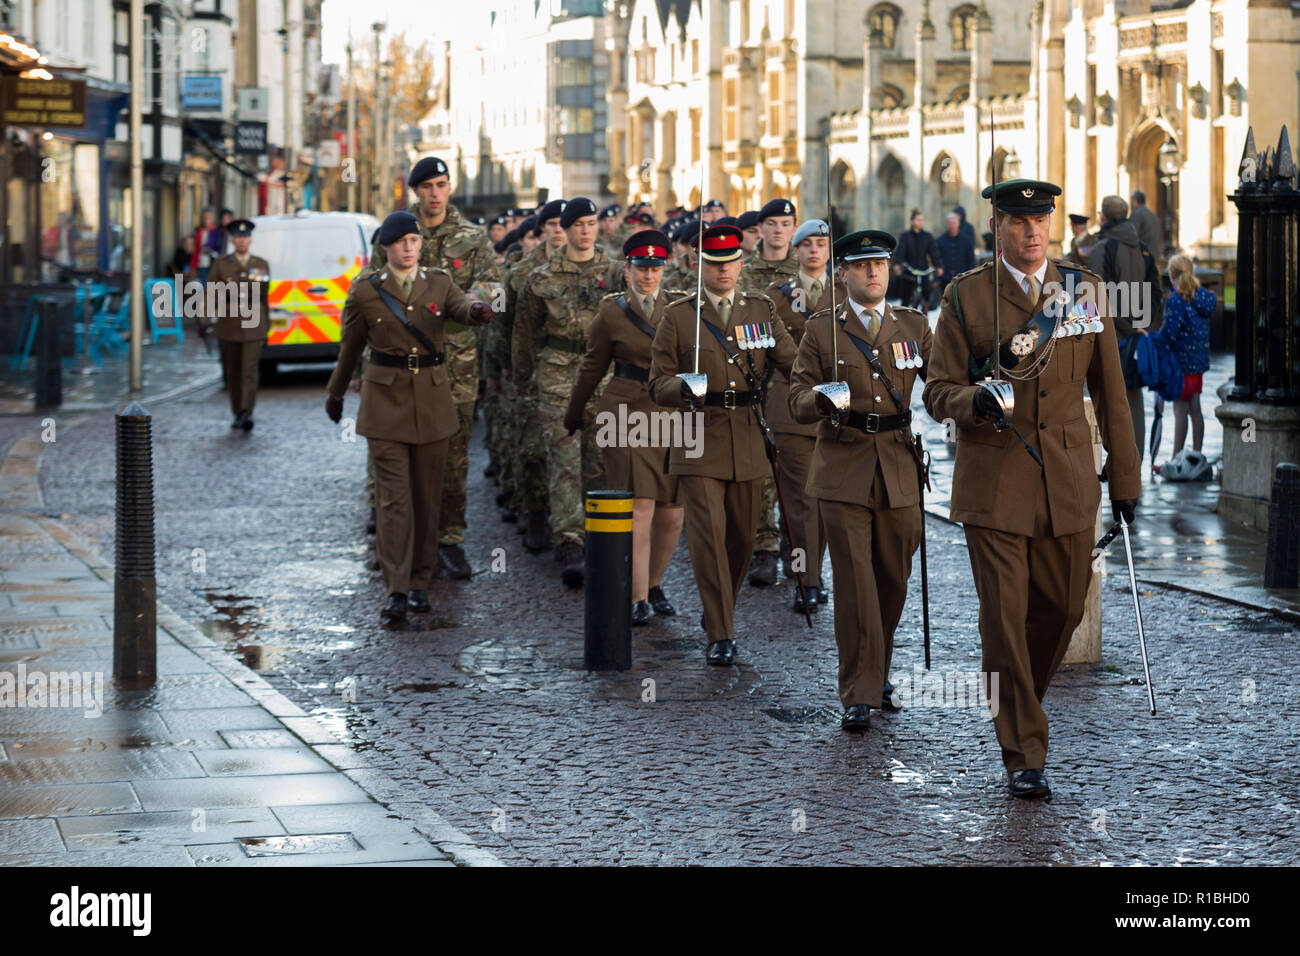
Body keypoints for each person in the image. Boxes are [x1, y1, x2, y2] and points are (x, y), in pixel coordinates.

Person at [923, 179, 1140, 799]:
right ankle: (1023, 748)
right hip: (994, 479)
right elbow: (937, 392)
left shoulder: (1082, 290)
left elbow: (1111, 392)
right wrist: (975, 400)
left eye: (1039, 219)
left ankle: (1019, 701)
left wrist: (1124, 477)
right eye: (1018, 221)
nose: (1031, 231)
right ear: (997, 226)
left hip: (1069, 478)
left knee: (1064, 608)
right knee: (1004, 619)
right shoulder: (965, 298)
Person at [789, 229, 931, 731]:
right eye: (862, 265)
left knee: (893, 579)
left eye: (880, 264)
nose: (873, 272)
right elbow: (796, 399)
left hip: (897, 465)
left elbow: (941, 385)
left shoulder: (912, 325)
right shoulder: (821, 329)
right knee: (854, 585)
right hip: (842, 465)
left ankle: (878, 669)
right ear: (843, 273)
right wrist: (822, 399)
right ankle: (858, 689)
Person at [325, 211, 493, 623]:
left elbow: (459, 305)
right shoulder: (366, 289)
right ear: (385, 246)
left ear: (420, 245)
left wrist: (477, 311)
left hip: (432, 403)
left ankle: (420, 582)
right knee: (394, 501)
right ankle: (396, 589)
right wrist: (335, 391)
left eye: (413, 241)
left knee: (426, 497)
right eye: (399, 242)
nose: (407, 248)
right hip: (384, 405)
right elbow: (350, 346)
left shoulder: (438, 282)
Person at [649, 223, 796, 665]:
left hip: (748, 434)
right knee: (708, 537)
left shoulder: (761, 309)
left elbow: (793, 361)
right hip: (697, 436)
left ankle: (720, 610)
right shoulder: (678, 316)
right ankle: (720, 630)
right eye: (714, 264)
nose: (724, 271)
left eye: (730, 262)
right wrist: (681, 387)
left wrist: (827, 383)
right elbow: (656, 385)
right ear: (699, 266)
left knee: (742, 539)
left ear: (741, 262)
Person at [370, 156, 503, 580]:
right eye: (427, 186)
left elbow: (494, 284)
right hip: (401, 364)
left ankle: (450, 539)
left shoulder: (472, 238)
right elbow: (369, 294)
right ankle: (399, 540)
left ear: (449, 188)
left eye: (441, 184)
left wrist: (470, 301)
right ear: (416, 192)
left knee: (453, 455)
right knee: (398, 453)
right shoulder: (394, 235)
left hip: (457, 362)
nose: (434, 193)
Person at [564, 229, 685, 624]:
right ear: (627, 269)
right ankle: (636, 599)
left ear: (663, 269)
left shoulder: (682, 308)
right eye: (640, 268)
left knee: (672, 511)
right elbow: (592, 366)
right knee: (641, 506)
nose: (647, 275)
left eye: (654, 268)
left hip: (673, 413)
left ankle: (653, 583)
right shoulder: (611, 311)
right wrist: (575, 410)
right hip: (626, 413)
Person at [513, 197, 620, 587]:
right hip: (557, 374)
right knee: (563, 461)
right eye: (579, 224)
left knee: (599, 461)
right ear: (568, 229)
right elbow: (524, 333)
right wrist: (522, 375)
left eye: (592, 223)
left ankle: (599, 534)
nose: (587, 230)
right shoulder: (541, 278)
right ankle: (570, 541)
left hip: (605, 376)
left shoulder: (617, 272)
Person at [765, 218, 845, 611]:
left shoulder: (847, 292)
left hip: (838, 410)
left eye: (821, 244)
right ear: (795, 251)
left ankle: (809, 568)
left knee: (826, 499)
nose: (814, 250)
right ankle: (807, 580)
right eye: (807, 244)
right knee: (800, 499)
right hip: (791, 409)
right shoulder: (774, 297)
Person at [497, 200, 569, 549]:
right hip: (533, 368)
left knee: (577, 452)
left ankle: (572, 532)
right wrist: (504, 370)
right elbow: (505, 325)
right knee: (532, 448)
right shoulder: (523, 271)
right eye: (552, 223)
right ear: (541, 230)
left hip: (576, 371)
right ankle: (536, 512)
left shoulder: (593, 265)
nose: (558, 229)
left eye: (562, 223)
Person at [739, 198, 800, 587]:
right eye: (772, 224)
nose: (779, 230)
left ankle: (796, 551)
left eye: (786, 223)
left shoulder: (805, 269)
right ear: (759, 230)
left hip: (794, 378)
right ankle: (763, 546)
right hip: (752, 377)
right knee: (761, 466)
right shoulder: (744, 273)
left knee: (794, 468)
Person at [1091, 194, 1161, 464]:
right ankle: (1135, 462)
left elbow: (1100, 295)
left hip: (1112, 335)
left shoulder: (1102, 248)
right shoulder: (1143, 248)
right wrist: (1144, 326)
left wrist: (1126, 327)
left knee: (1106, 400)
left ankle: (1116, 465)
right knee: (1133, 399)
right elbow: (1157, 291)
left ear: (1103, 217)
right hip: (1138, 336)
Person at [203, 219, 270, 431]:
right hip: (229, 324)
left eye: (245, 237)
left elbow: (262, 295)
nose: (242, 241)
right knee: (233, 372)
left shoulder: (260, 264)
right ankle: (236, 411)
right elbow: (211, 293)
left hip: (254, 324)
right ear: (232, 240)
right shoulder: (221, 264)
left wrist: (266, 325)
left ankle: (246, 412)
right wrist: (205, 319)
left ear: (250, 240)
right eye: (238, 237)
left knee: (249, 371)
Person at [1152, 254, 1215, 457]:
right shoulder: (1204, 297)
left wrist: (1154, 342)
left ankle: (1176, 458)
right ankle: (1197, 455)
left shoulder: (1177, 299)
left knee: (1180, 410)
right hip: (1197, 365)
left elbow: (1170, 332)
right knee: (1195, 409)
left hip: (1180, 364)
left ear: (1171, 275)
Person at [892, 209, 943, 308]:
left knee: (926, 294)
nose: (920, 222)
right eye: (918, 220)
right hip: (909, 271)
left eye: (922, 220)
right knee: (906, 298)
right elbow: (900, 251)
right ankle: (904, 317)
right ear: (912, 221)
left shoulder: (927, 237)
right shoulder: (905, 236)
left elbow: (934, 253)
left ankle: (925, 316)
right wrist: (897, 264)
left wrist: (939, 266)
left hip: (923, 270)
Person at [936, 211, 975, 297]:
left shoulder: (967, 240)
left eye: (954, 223)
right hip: (945, 280)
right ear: (947, 224)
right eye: (950, 223)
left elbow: (971, 260)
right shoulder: (940, 241)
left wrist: (969, 276)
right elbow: (937, 259)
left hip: (962, 279)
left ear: (958, 223)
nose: (952, 225)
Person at [1130, 190, 1163, 257]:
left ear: (1134, 201)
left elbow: (1132, 236)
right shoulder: (1153, 215)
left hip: (1143, 255)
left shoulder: (1136, 214)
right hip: (1154, 254)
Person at [191, 208, 220, 283]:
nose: (206, 220)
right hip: (202, 263)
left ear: (213, 219)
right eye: (204, 218)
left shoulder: (217, 231)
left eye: (209, 218)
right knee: (204, 284)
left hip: (214, 263)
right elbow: (196, 250)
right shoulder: (199, 232)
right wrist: (193, 266)